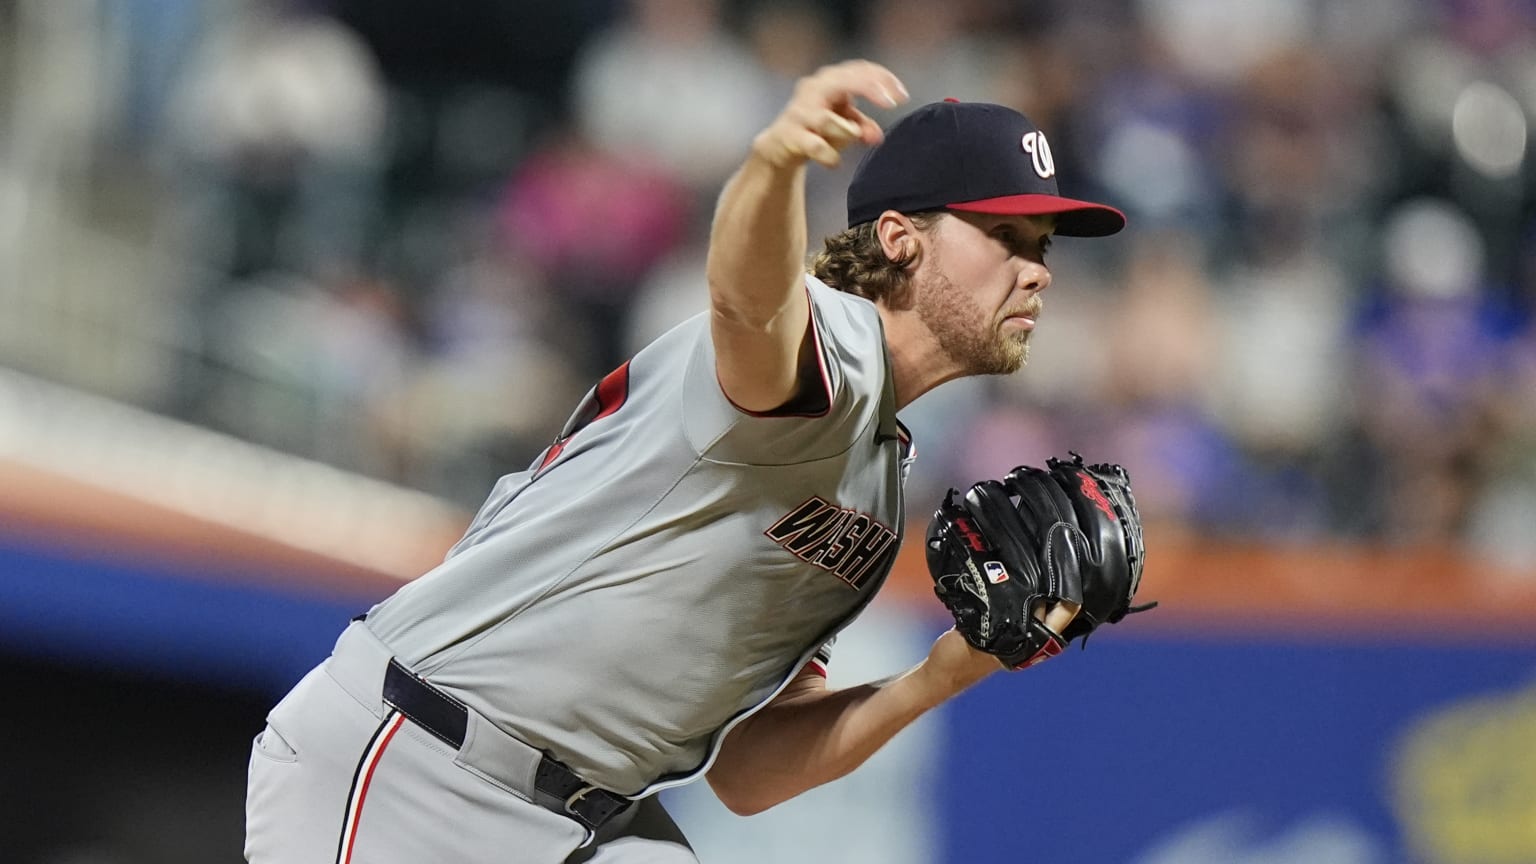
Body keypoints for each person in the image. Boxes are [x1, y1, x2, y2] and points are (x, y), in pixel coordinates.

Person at [244, 60, 1126, 864]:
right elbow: (747, 306)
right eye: (1006, 236)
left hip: (582, 818)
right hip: (419, 763)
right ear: (900, 238)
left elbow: (748, 772)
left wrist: (949, 669)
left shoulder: (880, 480)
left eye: (1042, 245)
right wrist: (774, 168)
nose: (1037, 271)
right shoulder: (833, 344)